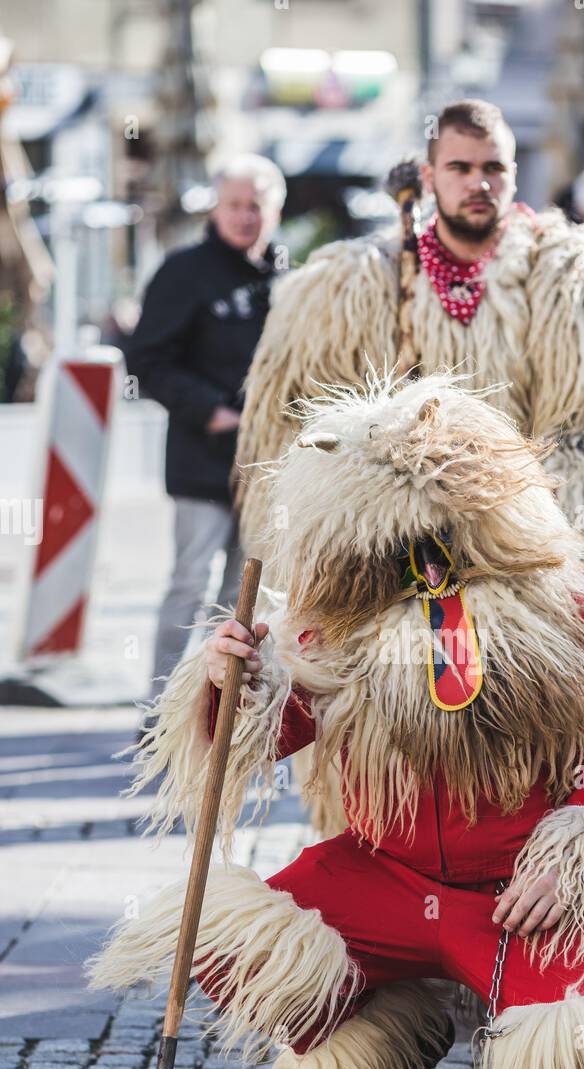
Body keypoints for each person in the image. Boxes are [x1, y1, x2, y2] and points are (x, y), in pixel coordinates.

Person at [85, 376, 584, 1069]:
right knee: (222, 937)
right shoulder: (330, 629)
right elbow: (264, 734)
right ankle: (393, 1024)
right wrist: (232, 681)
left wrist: (577, 847)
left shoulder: (568, 608)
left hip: (514, 895)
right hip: (380, 878)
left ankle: (510, 1016)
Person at [235, 100, 584, 669]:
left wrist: (516, 521)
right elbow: (301, 426)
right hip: (399, 583)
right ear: (429, 176)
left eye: (494, 169)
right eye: (461, 169)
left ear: (514, 175)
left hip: (537, 573)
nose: (479, 184)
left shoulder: (576, 277)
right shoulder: (354, 286)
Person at [126, 153, 286, 719]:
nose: (246, 216)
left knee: (246, 594)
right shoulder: (184, 271)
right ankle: (160, 709)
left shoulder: (285, 278)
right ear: (217, 208)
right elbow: (145, 357)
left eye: (257, 206)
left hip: (267, 467)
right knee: (190, 584)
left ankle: (221, 708)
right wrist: (210, 411)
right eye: (236, 205)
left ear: (275, 211)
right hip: (203, 458)